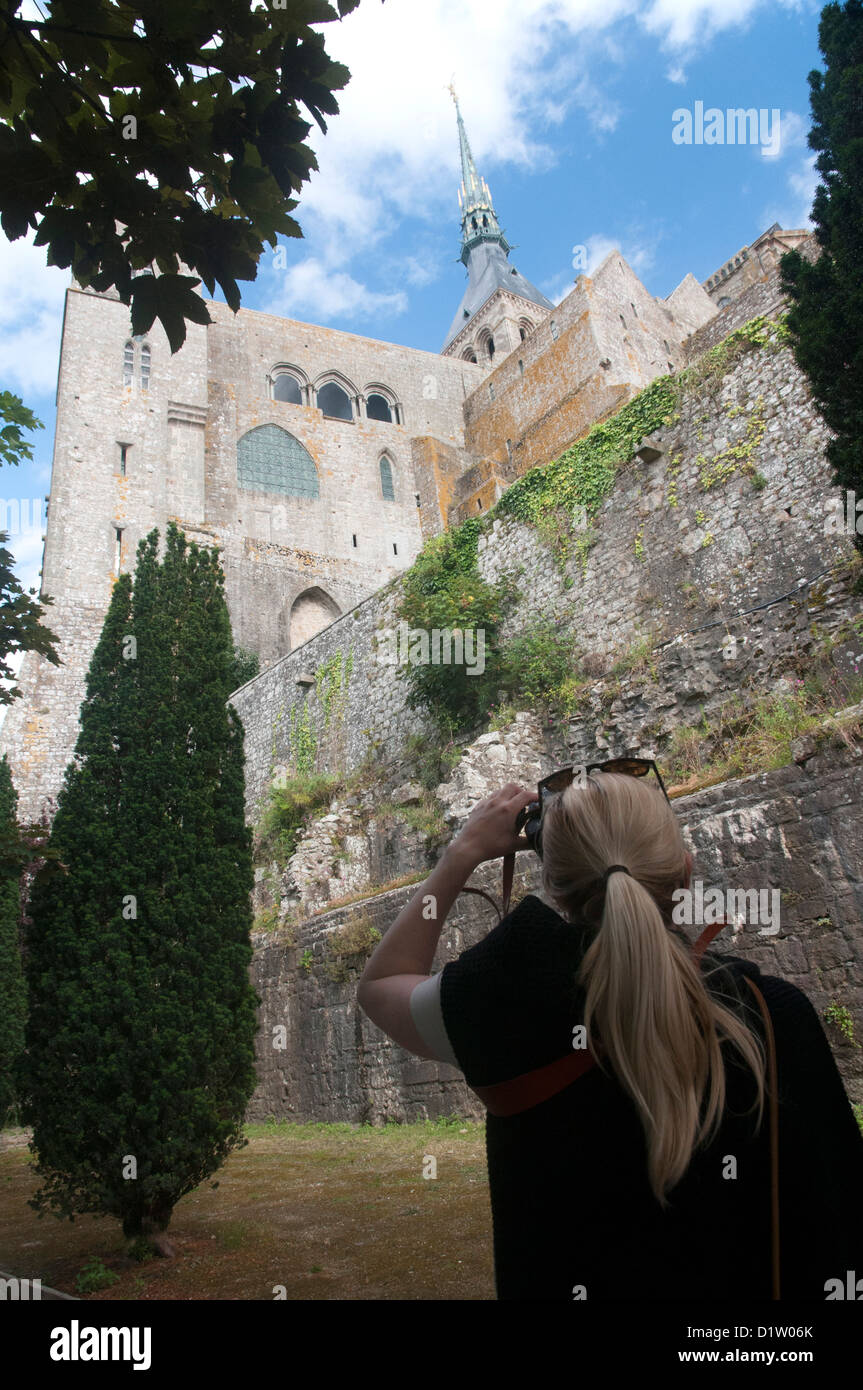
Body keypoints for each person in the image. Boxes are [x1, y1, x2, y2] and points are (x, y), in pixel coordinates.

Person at [357, 769, 863, 1301]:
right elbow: (838, 1218)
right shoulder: (773, 1014)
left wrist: (462, 851)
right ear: (685, 877)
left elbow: (382, 985)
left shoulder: (501, 1002)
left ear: (555, 888)